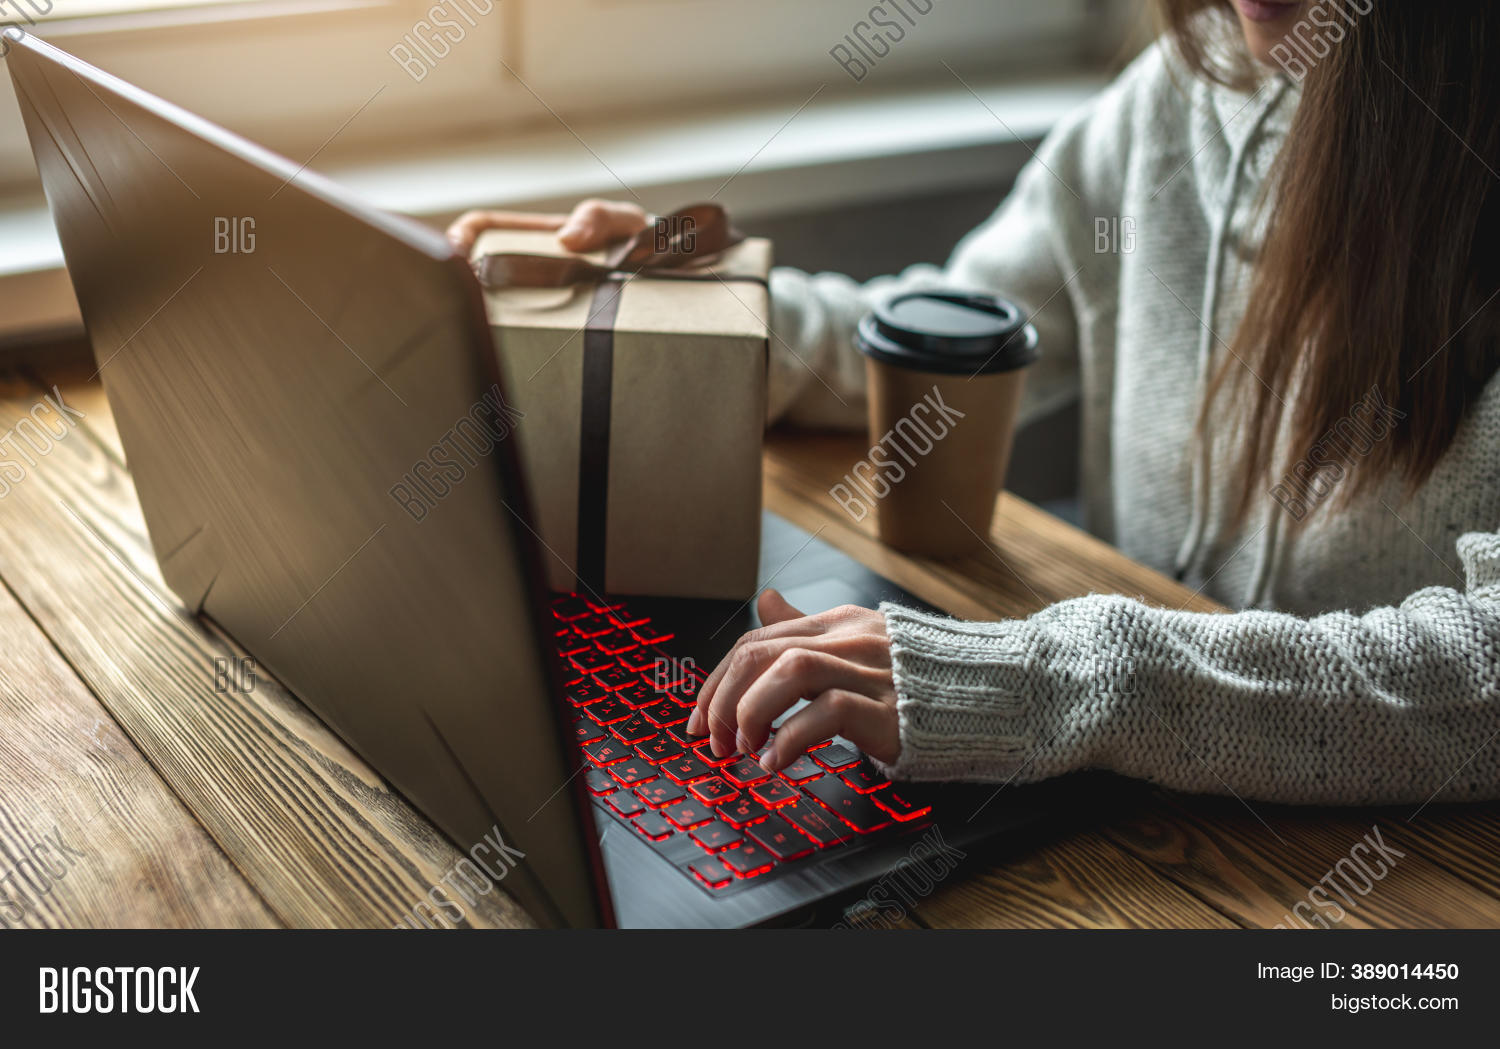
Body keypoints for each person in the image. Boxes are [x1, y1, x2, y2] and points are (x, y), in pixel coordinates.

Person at [448, 0, 1500, 805]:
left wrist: (1061, 681)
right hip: (1134, 816)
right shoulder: (1187, 88)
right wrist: (693, 318)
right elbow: (955, 330)